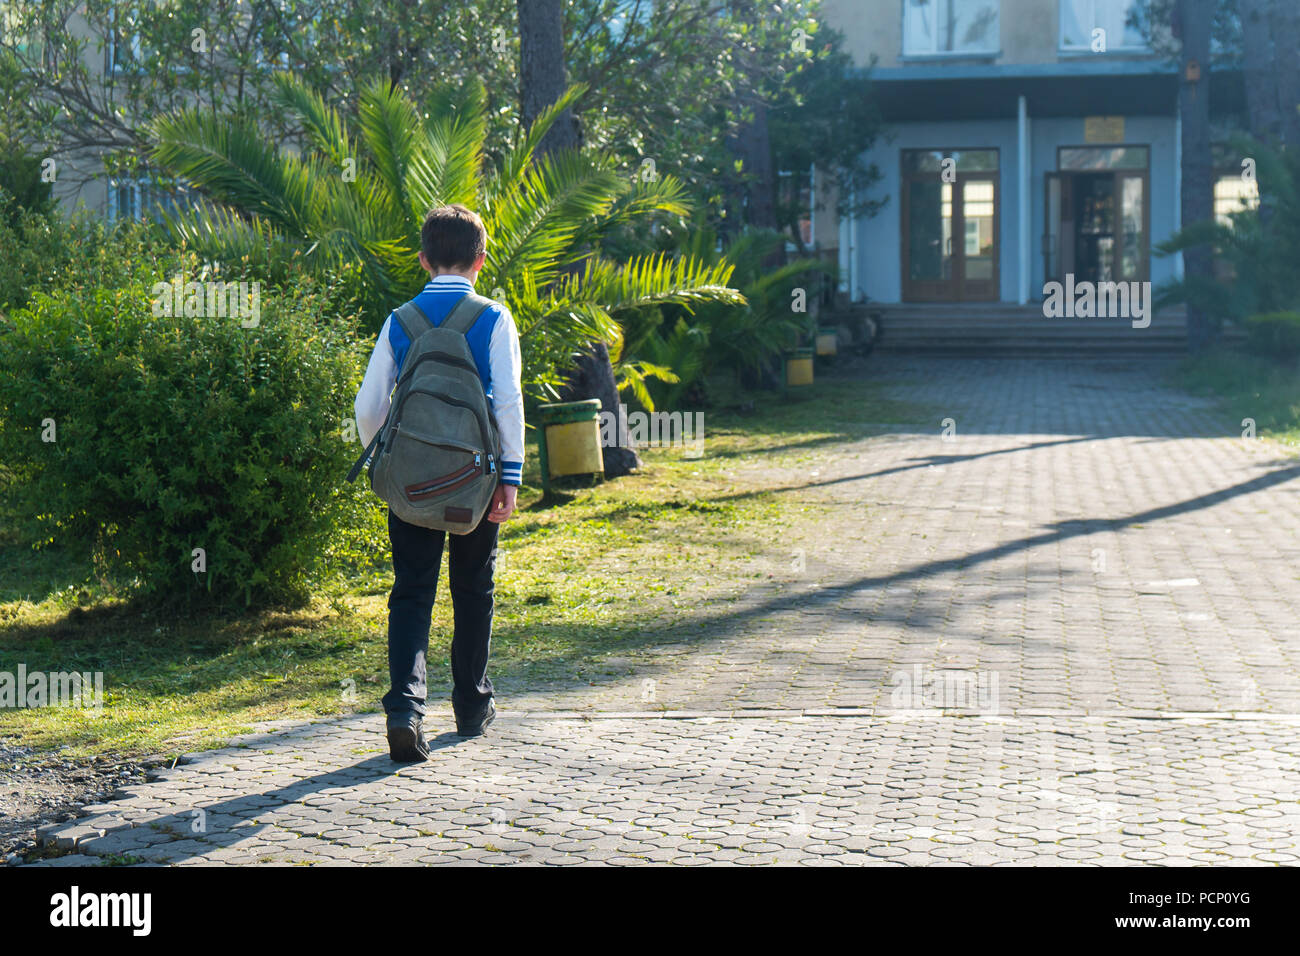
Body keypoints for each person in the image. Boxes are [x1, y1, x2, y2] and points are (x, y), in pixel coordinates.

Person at [354, 204, 524, 761]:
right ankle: (472, 705)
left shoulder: (399, 320)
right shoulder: (494, 318)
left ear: (423, 259)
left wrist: (388, 464)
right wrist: (510, 477)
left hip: (412, 485)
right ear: (481, 259)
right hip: (475, 482)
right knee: (473, 587)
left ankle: (404, 708)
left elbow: (369, 406)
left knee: (411, 591)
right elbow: (508, 403)